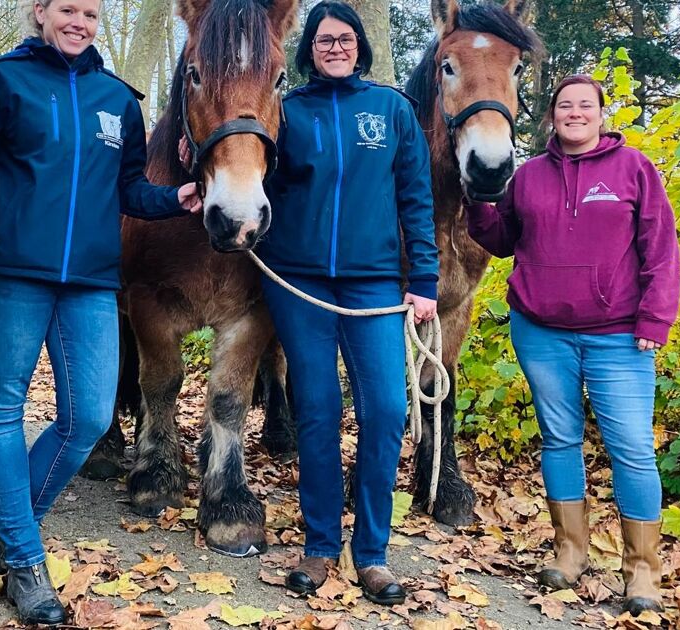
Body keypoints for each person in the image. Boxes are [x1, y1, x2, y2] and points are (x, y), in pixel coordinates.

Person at [0, 0, 201, 624]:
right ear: (40, 12)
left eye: (90, 12)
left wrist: (178, 198)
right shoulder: (1, 80)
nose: (80, 22)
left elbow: (130, 190)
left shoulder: (119, 99)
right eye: (68, 9)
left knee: (86, 418)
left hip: (90, 282)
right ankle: (27, 562)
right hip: (6, 272)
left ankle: (9, 531)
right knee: (1, 410)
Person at [466, 74, 680, 616]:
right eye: (565, 105)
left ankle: (642, 573)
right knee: (559, 441)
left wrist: (655, 321)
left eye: (586, 105)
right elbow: (503, 239)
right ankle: (570, 553)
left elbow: (660, 251)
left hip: (619, 338)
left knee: (631, 449)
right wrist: (478, 204)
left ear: (602, 114)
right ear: (551, 116)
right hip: (541, 332)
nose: (576, 113)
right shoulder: (529, 175)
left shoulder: (635, 170)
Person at [253, 1, 439, 606]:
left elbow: (415, 198)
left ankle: (373, 553)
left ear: (361, 45)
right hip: (299, 282)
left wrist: (425, 280)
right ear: (310, 49)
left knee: (385, 408)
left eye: (346, 38)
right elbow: (252, 170)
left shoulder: (391, 109)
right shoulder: (287, 110)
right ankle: (321, 544)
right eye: (325, 39)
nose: (336, 47)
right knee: (317, 409)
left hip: (375, 284)